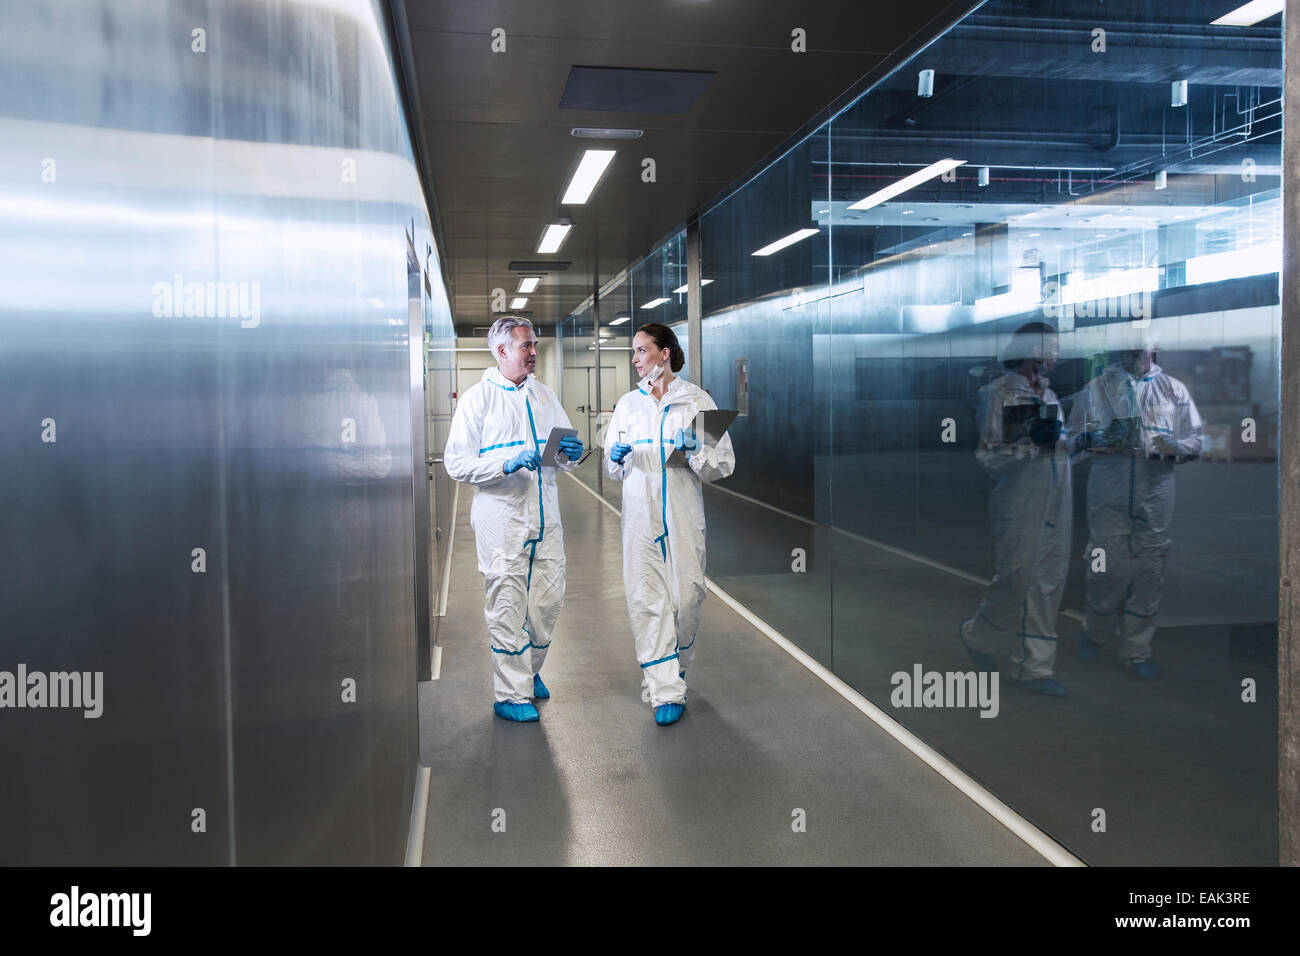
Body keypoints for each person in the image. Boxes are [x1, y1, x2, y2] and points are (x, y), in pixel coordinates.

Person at [444, 316, 583, 721]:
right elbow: (457, 463)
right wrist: (506, 463)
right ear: (502, 351)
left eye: (535, 345)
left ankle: (529, 668)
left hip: (546, 517)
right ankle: (511, 695)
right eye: (526, 346)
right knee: (507, 602)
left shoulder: (544, 396)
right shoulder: (478, 400)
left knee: (548, 602)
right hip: (501, 520)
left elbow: (560, 455)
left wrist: (568, 456)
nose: (534, 352)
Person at [603, 323, 734, 726]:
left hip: (681, 513)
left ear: (665, 353)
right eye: (634, 352)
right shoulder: (628, 404)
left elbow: (723, 464)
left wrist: (697, 453)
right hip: (640, 517)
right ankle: (664, 691)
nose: (636, 359)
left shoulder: (697, 400)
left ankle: (674, 668)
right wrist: (617, 456)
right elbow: (612, 468)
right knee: (647, 600)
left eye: (642, 350)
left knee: (686, 598)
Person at [1067, 332, 1201, 679]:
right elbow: (1070, 440)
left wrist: (1174, 447)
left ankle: (1137, 651)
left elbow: (1195, 440)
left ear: (1154, 346)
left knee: (1149, 571)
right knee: (1105, 567)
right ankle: (1095, 632)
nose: (1130, 352)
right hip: (1107, 492)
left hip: (1156, 491)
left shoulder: (1174, 389)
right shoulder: (1096, 389)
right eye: (1124, 345)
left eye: (1138, 345)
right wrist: (1089, 439)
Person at [959, 322, 1072, 696]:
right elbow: (991, 458)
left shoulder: (1051, 396)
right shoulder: (999, 394)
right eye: (1051, 347)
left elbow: (1058, 449)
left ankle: (1034, 667)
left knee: (1048, 580)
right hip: (1020, 501)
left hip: (1057, 498)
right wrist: (1029, 443)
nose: (1056, 355)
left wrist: (1081, 443)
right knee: (1016, 576)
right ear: (1031, 349)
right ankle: (978, 635)